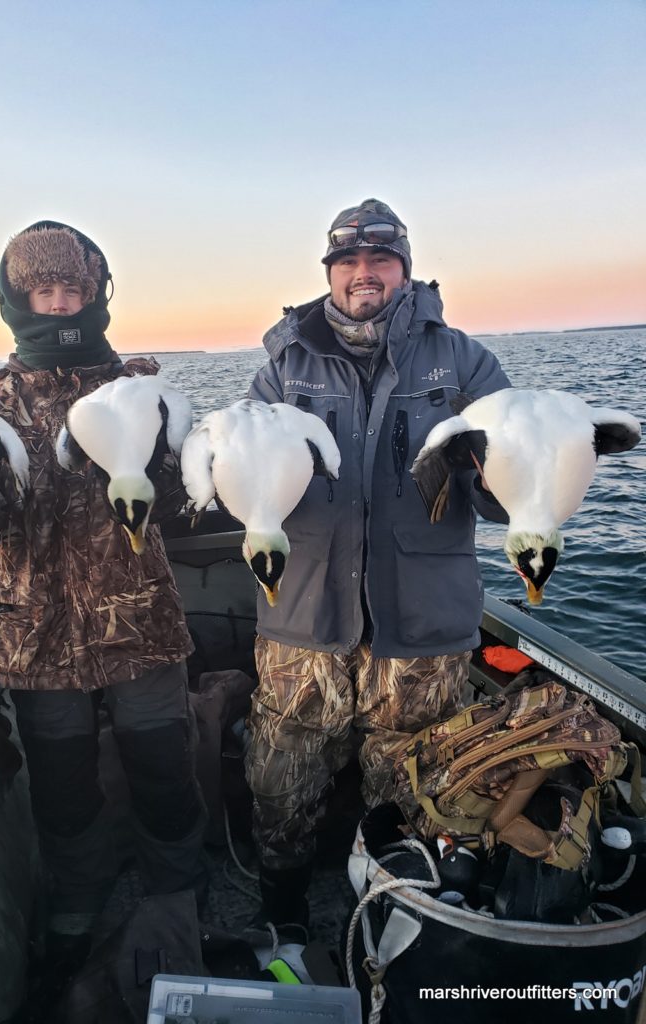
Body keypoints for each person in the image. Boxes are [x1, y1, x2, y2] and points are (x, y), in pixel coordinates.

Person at [245, 198, 511, 925]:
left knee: (412, 778)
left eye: (380, 261)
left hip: (422, 618)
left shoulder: (463, 360)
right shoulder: (283, 363)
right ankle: (284, 913)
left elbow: (508, 494)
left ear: (404, 270)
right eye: (349, 262)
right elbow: (246, 480)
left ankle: (397, 914)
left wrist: (500, 473)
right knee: (282, 772)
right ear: (330, 273)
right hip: (303, 610)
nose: (364, 274)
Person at [0, 221, 207, 980]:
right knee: (62, 785)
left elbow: (174, 503)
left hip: (141, 616)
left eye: (74, 289)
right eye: (44, 290)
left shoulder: (137, 388)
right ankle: (77, 893)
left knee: (164, 763)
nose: (61, 305)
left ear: (96, 295)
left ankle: (177, 887)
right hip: (37, 629)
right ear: (17, 298)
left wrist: (160, 458)